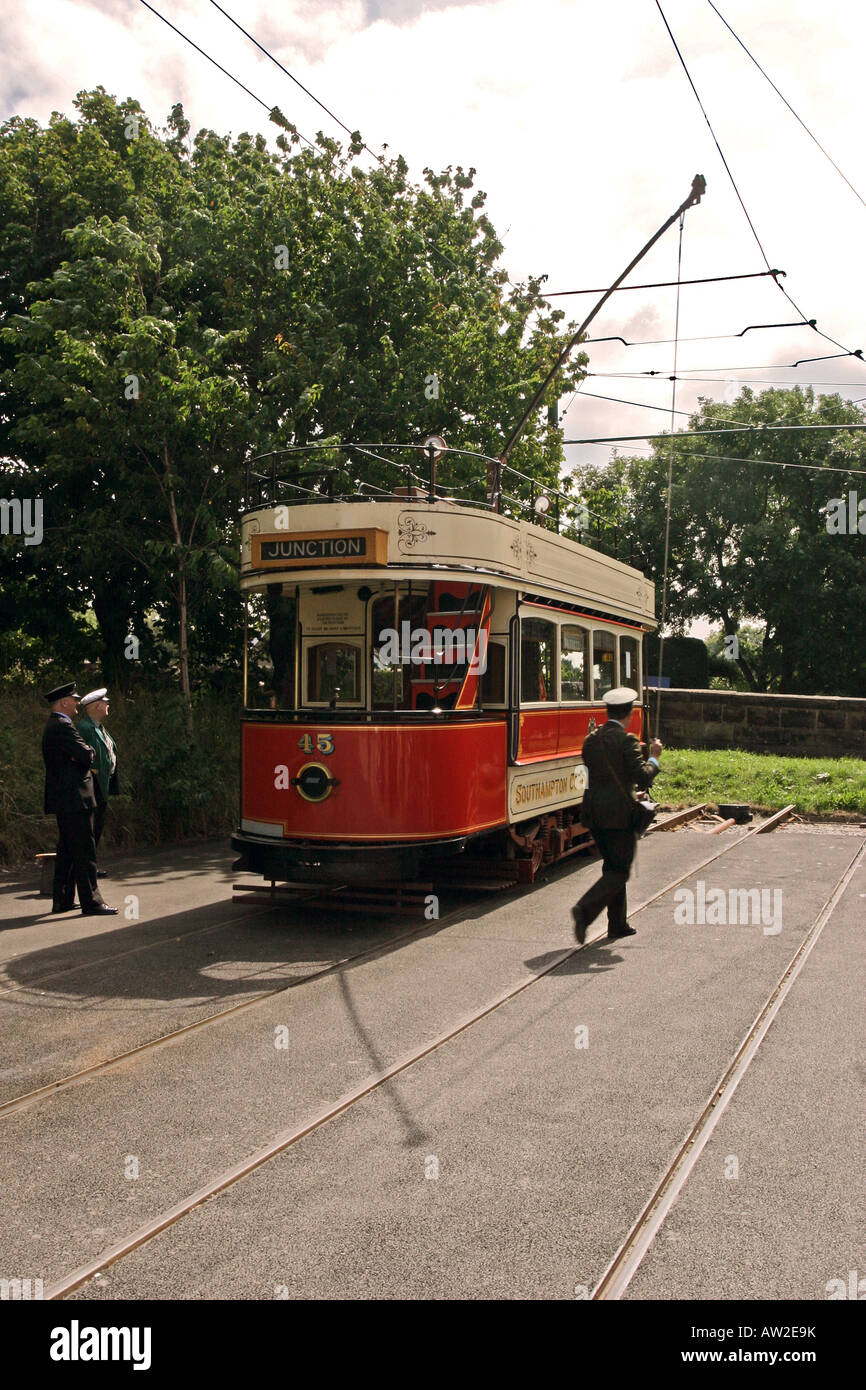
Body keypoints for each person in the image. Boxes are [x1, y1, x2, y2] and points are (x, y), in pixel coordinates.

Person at [572, 687, 662, 944]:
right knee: (619, 871)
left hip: (594, 814)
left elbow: (597, 778)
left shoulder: (591, 739)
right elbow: (642, 776)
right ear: (630, 713)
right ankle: (584, 910)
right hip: (619, 817)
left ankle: (618, 924)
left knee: (613, 866)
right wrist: (654, 758)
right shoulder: (627, 741)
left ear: (608, 711)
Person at [41, 682, 117, 916]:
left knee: (67, 850)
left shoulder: (55, 725)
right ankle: (91, 901)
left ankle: (62, 899)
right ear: (63, 703)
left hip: (66, 798)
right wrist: (86, 753)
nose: (77, 704)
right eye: (74, 700)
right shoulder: (63, 726)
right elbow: (87, 754)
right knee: (84, 850)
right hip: (75, 797)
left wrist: (82, 755)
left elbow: (81, 755)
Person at [77, 688, 119, 851]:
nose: (108, 704)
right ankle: (86, 868)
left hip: (101, 784)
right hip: (92, 784)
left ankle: (91, 865)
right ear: (96, 706)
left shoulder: (99, 727)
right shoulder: (85, 727)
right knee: (90, 828)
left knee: (97, 826)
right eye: (104, 702)